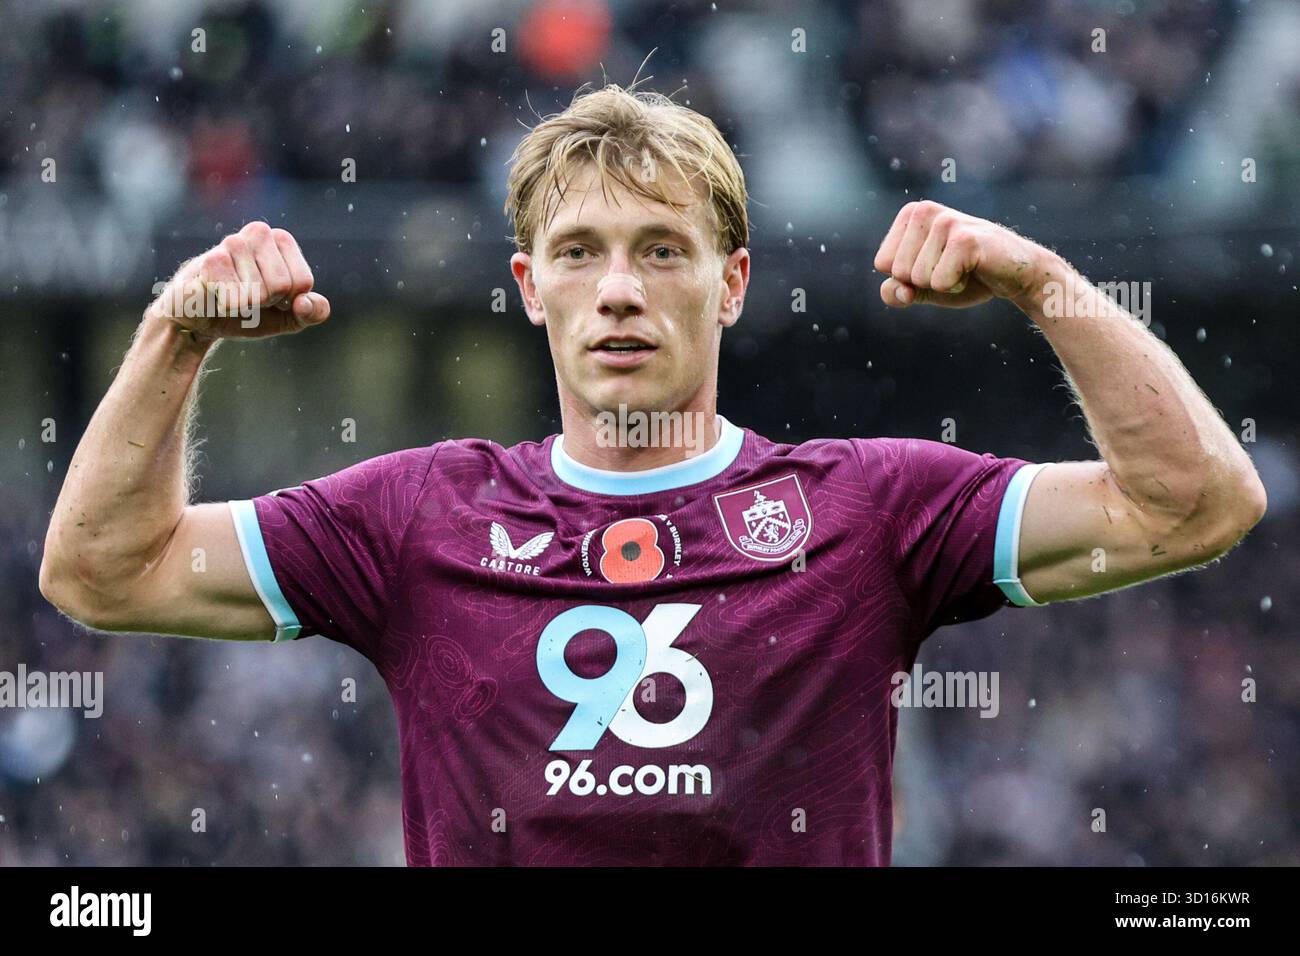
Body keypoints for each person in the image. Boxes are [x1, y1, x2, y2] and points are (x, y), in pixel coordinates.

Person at [39, 84, 1266, 865]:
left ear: (729, 282)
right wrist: (174, 332)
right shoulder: (417, 516)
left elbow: (1194, 503)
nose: (619, 285)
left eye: (661, 248)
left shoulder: (867, 507)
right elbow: (103, 569)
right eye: (578, 250)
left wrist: (1039, 282)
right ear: (530, 291)